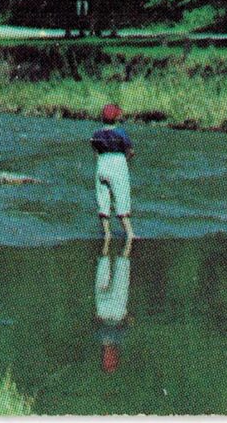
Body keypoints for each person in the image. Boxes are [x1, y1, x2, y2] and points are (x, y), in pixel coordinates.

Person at [91, 102, 135, 241]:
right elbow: (131, 151)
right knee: (121, 200)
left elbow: (95, 151)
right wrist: (125, 160)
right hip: (118, 164)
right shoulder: (121, 133)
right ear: (117, 118)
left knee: (103, 200)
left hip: (102, 165)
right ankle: (129, 234)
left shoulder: (96, 134)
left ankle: (107, 234)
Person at [95, 233, 132, 373]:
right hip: (103, 311)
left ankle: (129, 238)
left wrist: (128, 319)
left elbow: (128, 323)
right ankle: (107, 238)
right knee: (103, 267)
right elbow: (95, 322)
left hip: (118, 312)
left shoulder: (119, 340)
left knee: (123, 266)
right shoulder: (99, 338)